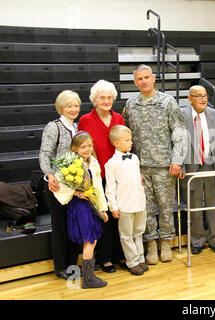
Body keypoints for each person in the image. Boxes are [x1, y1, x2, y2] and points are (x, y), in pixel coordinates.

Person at [123, 64, 187, 264]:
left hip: (164, 166)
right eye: (139, 79)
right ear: (135, 82)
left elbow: (179, 133)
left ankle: (166, 242)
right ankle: (151, 243)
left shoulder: (167, 102)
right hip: (140, 166)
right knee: (146, 208)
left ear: (153, 79)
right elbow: (125, 135)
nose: (143, 81)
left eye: (146, 77)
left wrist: (177, 160)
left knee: (166, 206)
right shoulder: (131, 104)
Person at [78, 79, 126, 273]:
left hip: (118, 176)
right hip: (98, 177)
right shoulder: (85, 120)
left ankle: (120, 254)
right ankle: (104, 257)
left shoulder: (119, 119)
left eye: (109, 97)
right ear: (94, 100)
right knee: (104, 218)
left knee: (119, 217)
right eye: (102, 98)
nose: (106, 101)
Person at [180, 85, 215, 255]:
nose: (203, 99)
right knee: (194, 206)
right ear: (189, 99)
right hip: (191, 166)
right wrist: (179, 165)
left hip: (211, 165)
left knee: (214, 206)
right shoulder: (181, 115)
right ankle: (197, 241)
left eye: (205, 96)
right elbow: (178, 143)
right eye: (198, 96)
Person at [53, 131, 109, 289]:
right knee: (89, 240)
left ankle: (89, 276)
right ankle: (88, 278)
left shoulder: (94, 162)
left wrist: (103, 209)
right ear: (74, 148)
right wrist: (77, 192)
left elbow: (98, 187)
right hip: (80, 206)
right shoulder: (70, 163)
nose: (88, 149)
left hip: (91, 205)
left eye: (90, 145)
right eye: (83, 146)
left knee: (92, 240)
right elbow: (60, 186)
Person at [39, 90, 81, 280]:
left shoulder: (77, 127)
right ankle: (61, 267)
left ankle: (74, 265)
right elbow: (45, 153)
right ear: (61, 107)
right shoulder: (53, 127)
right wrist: (49, 174)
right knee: (60, 227)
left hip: (74, 184)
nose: (73, 109)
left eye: (76, 105)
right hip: (57, 186)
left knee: (73, 225)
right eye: (69, 106)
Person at [105, 125, 148, 275]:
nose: (131, 143)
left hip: (139, 202)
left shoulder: (134, 158)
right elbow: (110, 188)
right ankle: (132, 261)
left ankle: (141, 258)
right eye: (127, 140)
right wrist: (113, 206)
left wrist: (143, 199)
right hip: (124, 204)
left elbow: (138, 181)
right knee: (126, 234)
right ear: (116, 143)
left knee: (139, 232)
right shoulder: (111, 164)